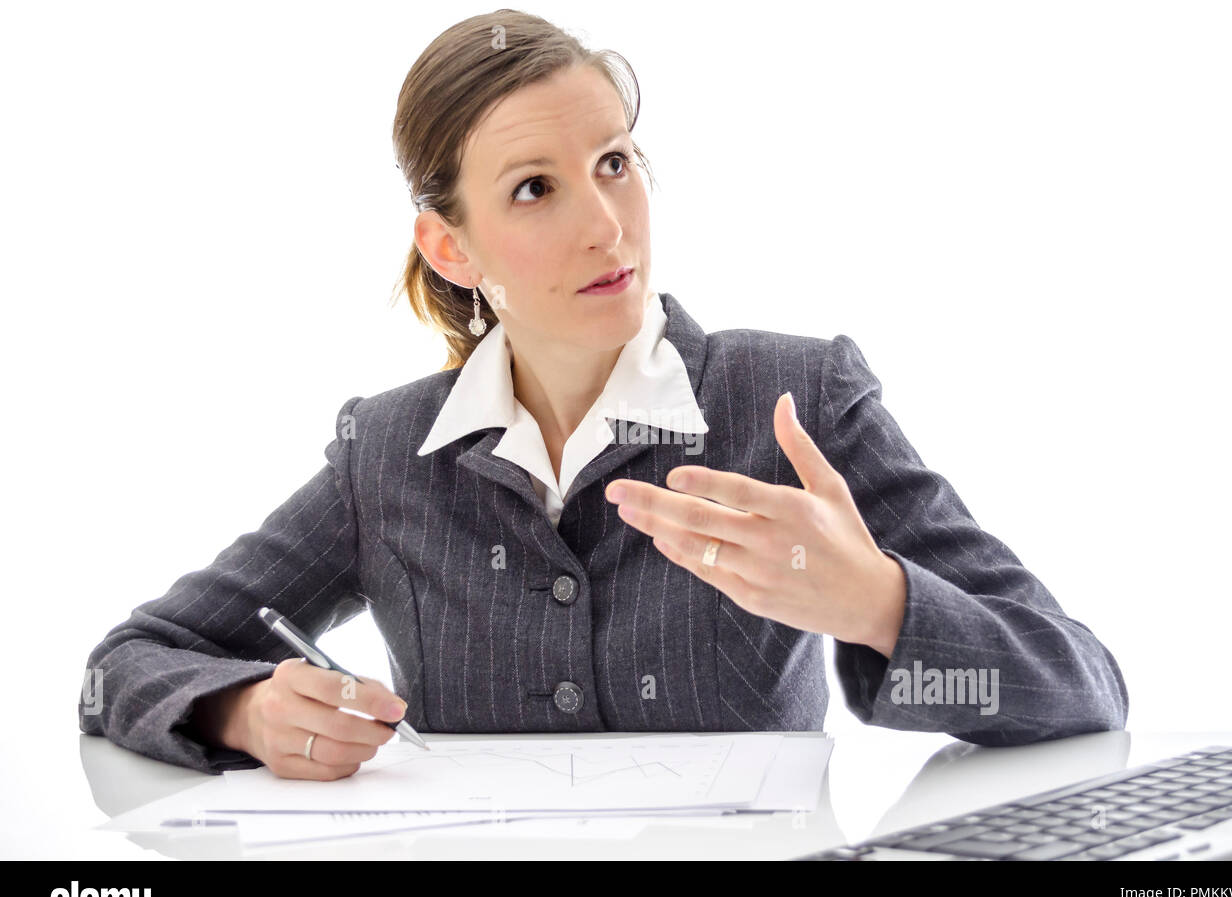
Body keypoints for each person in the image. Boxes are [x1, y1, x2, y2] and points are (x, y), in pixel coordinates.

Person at [78, 10, 1128, 781]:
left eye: (614, 162)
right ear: (451, 246)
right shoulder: (387, 453)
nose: (607, 224)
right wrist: (242, 712)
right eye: (535, 188)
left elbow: (1081, 687)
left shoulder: (800, 397)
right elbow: (126, 663)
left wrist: (876, 605)